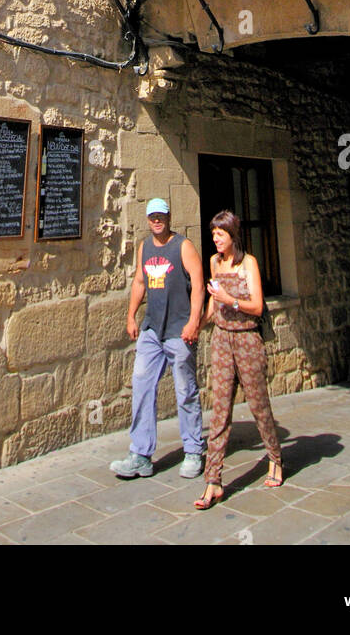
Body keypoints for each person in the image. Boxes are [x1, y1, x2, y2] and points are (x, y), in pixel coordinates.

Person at [110, 197, 206, 479]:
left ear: (168, 217)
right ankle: (140, 454)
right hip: (152, 329)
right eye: (152, 216)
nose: (156, 220)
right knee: (141, 385)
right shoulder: (145, 247)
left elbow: (199, 285)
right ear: (148, 218)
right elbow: (140, 281)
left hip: (179, 329)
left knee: (185, 390)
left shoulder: (183, 246)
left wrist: (193, 323)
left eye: (161, 216)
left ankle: (192, 450)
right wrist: (131, 316)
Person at [195, 209, 282, 508]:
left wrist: (229, 300)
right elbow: (212, 303)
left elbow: (257, 306)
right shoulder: (214, 262)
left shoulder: (249, 263)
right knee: (219, 410)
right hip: (221, 338)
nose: (216, 240)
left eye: (220, 234)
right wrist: (198, 324)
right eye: (213, 235)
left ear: (233, 235)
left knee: (258, 404)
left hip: (247, 339)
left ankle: (275, 458)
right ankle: (213, 480)